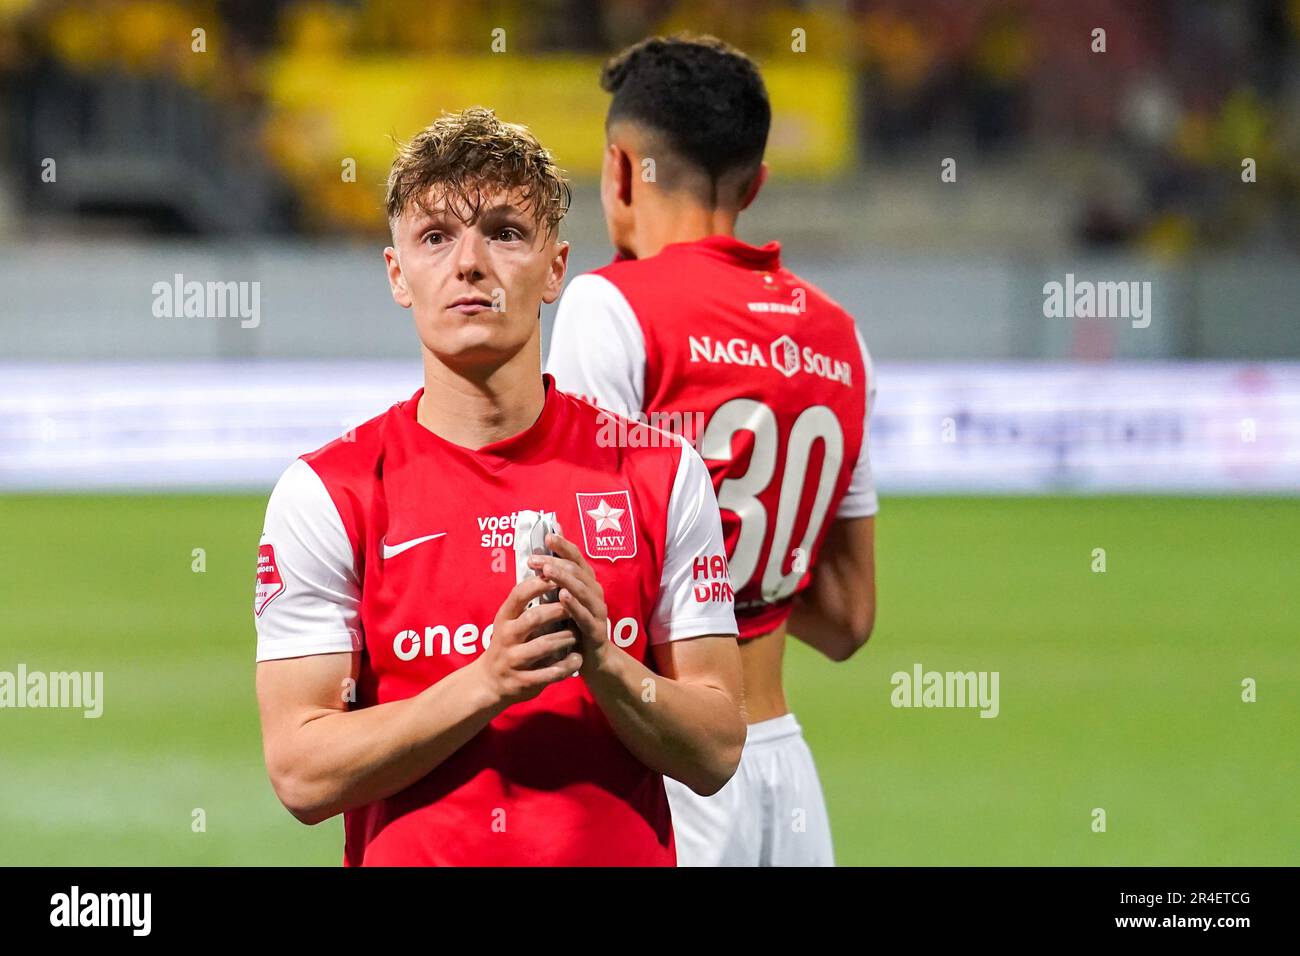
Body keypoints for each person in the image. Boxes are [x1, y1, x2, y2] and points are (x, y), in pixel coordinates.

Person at [253, 107, 745, 866]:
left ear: (555, 269)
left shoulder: (658, 472)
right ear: (398, 276)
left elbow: (715, 749)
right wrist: (488, 680)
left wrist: (608, 665)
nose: (470, 264)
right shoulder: (331, 491)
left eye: (505, 233)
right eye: (436, 237)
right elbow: (301, 773)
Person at [546, 36, 878, 866]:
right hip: (786, 778)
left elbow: (577, 577)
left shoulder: (610, 306)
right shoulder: (840, 337)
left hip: (667, 769)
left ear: (620, 169)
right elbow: (847, 619)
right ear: (756, 182)